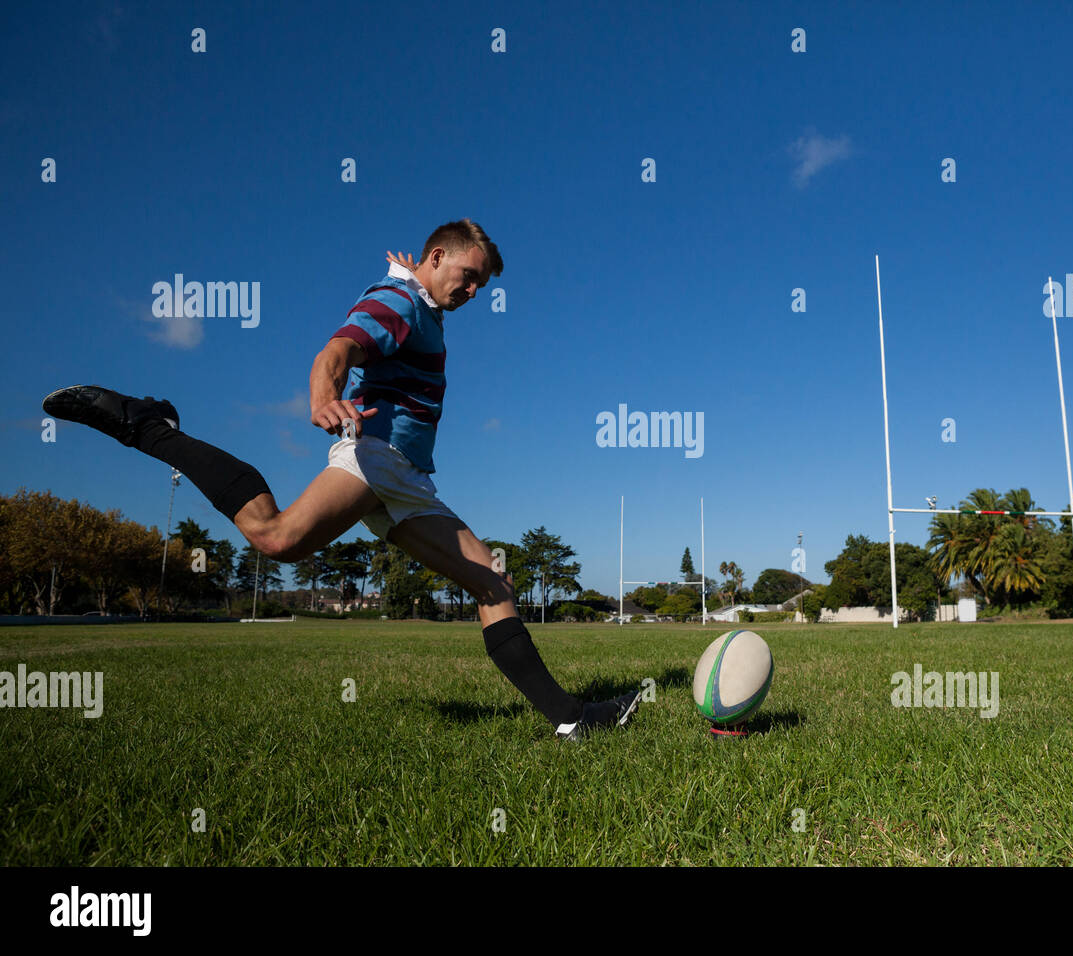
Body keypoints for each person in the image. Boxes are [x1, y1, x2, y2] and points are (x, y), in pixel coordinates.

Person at [42, 218, 638, 740]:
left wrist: (412, 282)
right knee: (275, 537)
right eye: (469, 274)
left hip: (407, 478)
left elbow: (401, 301)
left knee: (492, 584)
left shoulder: (414, 297)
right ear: (436, 257)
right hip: (376, 458)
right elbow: (342, 345)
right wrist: (323, 389)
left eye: (482, 283)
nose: (475, 290)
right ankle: (148, 427)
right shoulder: (400, 302)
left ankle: (572, 719)